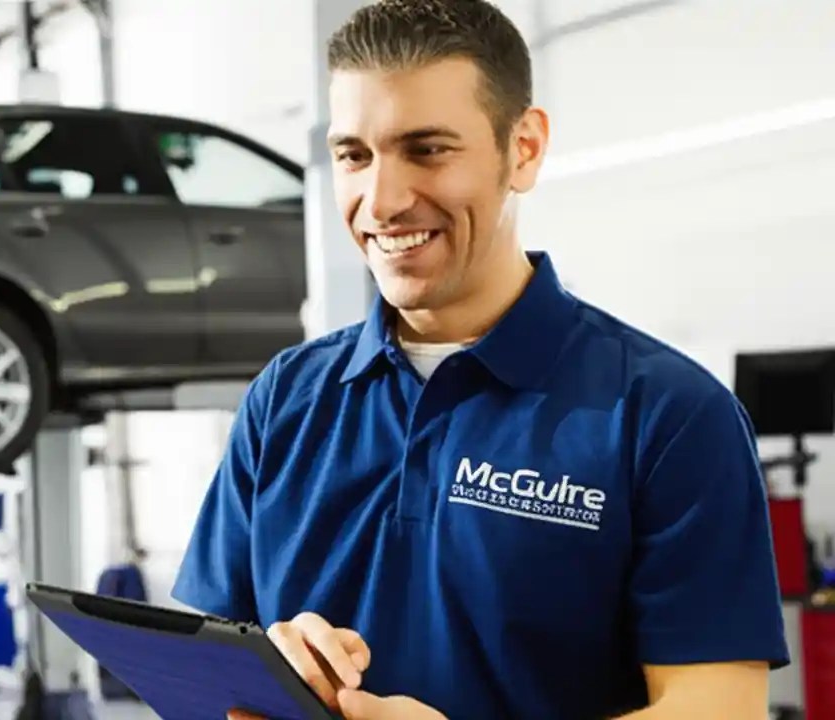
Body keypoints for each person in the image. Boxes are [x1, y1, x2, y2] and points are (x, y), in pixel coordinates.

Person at [174, 1, 789, 718]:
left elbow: (719, 707)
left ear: (522, 148)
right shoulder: (286, 397)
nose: (383, 200)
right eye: (354, 156)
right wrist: (268, 676)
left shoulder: (668, 415)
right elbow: (202, 670)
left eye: (428, 149)